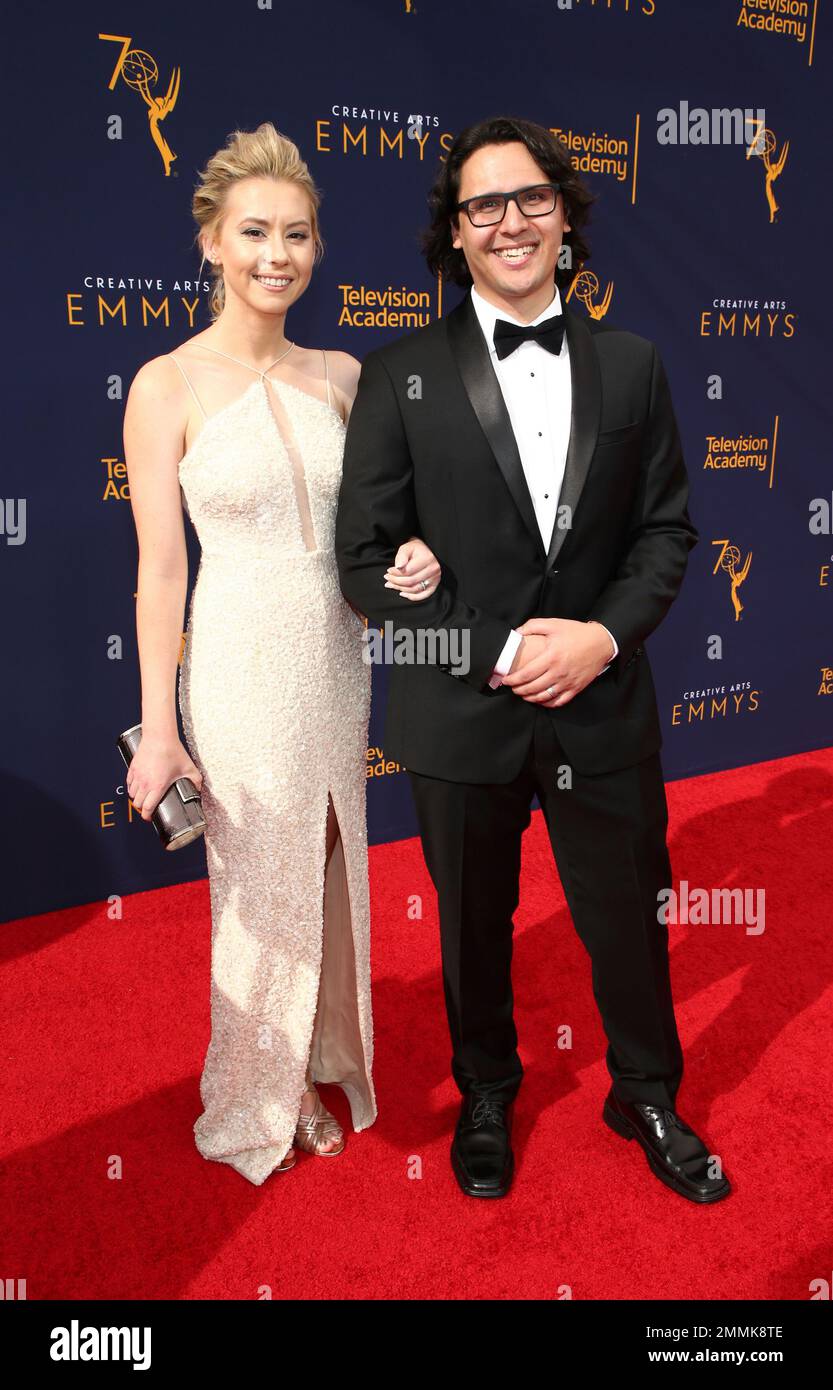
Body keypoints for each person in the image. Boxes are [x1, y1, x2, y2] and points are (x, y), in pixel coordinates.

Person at [335, 115, 731, 1204]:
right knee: (470, 925)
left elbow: (665, 532)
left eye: (530, 199)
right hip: (459, 711)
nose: (508, 222)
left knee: (628, 911)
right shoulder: (399, 373)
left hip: (601, 702)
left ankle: (644, 1089)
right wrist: (500, 649)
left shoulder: (635, 365)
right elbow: (366, 566)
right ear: (452, 234)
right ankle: (487, 1089)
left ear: (564, 217)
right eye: (482, 206)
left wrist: (599, 636)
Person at [123, 122, 442, 1185]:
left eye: (296, 234)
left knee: (329, 861)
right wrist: (159, 731)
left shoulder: (346, 372)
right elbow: (162, 571)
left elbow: (377, 528)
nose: (277, 254)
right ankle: (263, 1088)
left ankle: (320, 1053)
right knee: (255, 880)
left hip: (334, 657)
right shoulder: (165, 384)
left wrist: (408, 562)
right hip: (237, 663)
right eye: (253, 231)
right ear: (210, 241)